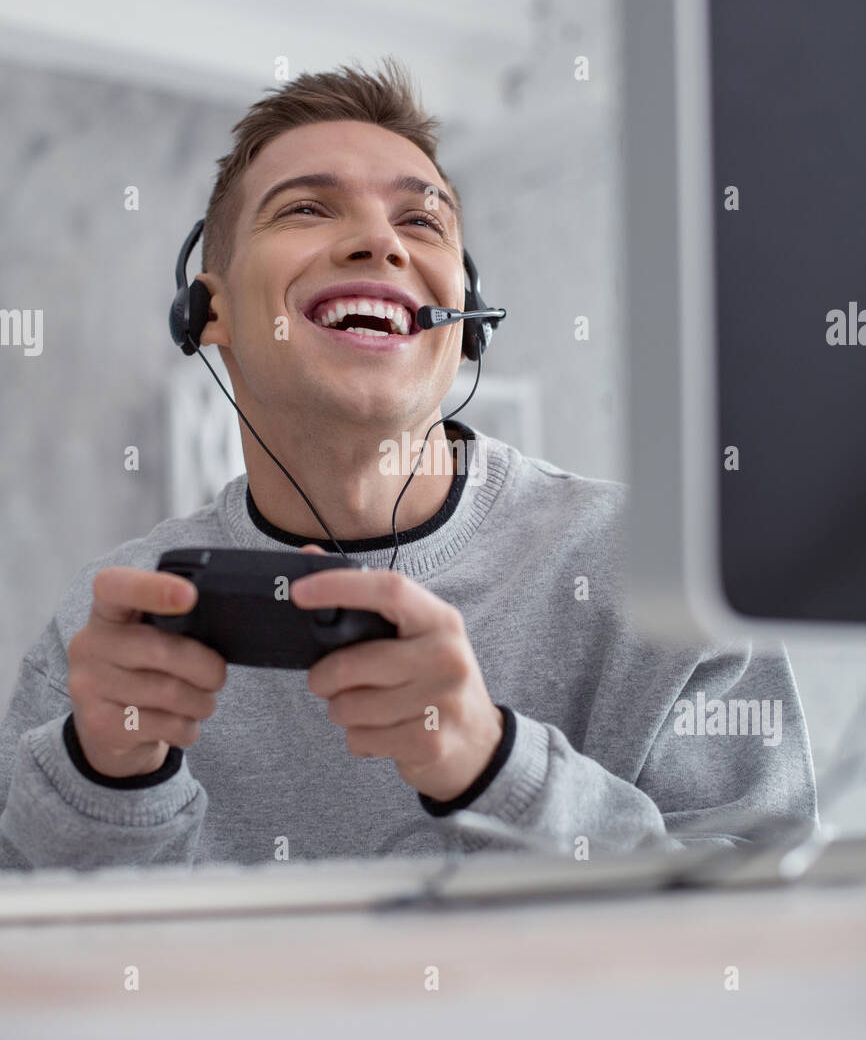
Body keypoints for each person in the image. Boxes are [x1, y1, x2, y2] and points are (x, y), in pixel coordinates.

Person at [0, 58, 816, 871]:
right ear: (206, 312)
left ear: (467, 324)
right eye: (309, 208)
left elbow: (769, 934)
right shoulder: (101, 626)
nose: (377, 241)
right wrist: (100, 780)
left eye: (422, 223)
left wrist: (496, 766)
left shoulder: (660, 571)